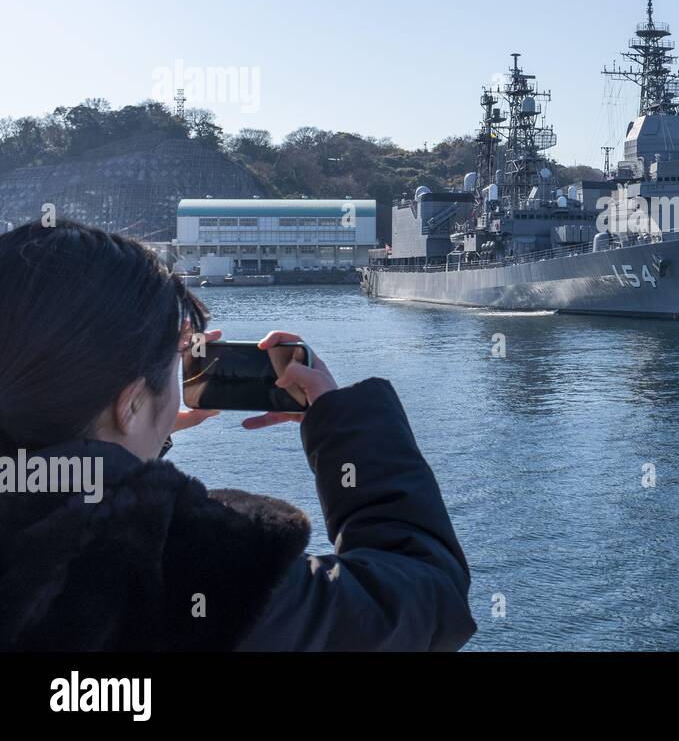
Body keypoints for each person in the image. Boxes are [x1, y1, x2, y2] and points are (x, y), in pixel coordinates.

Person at [0, 221, 475, 651]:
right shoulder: (203, 564)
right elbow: (427, 602)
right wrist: (346, 427)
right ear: (130, 403)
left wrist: (135, 443)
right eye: (174, 360)